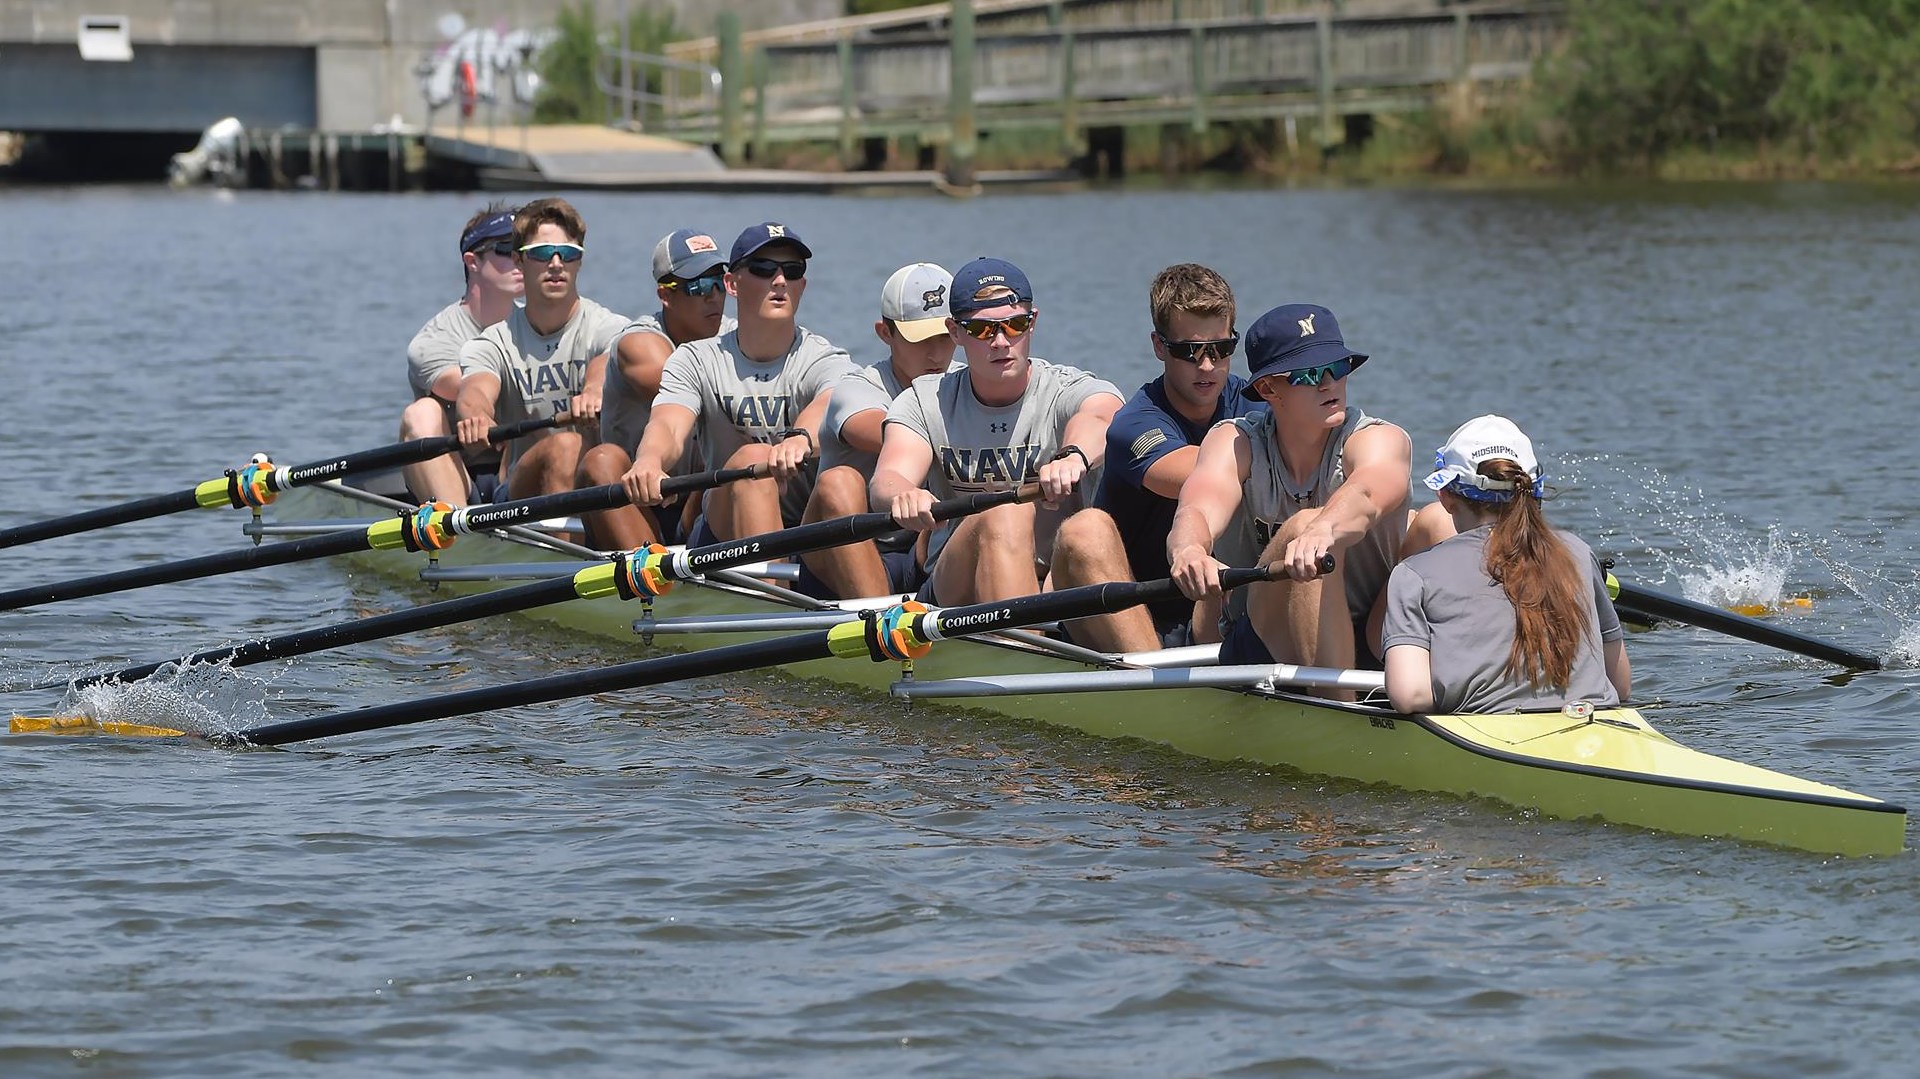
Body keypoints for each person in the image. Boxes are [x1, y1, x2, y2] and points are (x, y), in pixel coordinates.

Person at [1167, 302, 1451, 699]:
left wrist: (1323, 529)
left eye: (1337, 368)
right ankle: (1343, 721)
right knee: (1299, 526)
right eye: (1310, 374)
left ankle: (1489, 687)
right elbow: (1197, 507)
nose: (1329, 384)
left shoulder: (1379, 438)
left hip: (1371, 635)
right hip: (1266, 644)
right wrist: (1189, 550)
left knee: (1442, 520)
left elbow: (1371, 488)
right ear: (1267, 389)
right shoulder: (1235, 442)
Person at [873, 256, 1124, 607]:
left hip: (1055, 579)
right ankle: (1025, 653)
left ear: (1032, 322)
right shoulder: (925, 399)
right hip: (957, 583)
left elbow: (1104, 413)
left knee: (1094, 527)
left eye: (1014, 324)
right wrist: (903, 494)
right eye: (981, 329)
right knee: (1005, 513)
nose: (1001, 342)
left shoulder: (1064, 389)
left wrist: (1073, 455)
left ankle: (1141, 660)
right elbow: (889, 476)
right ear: (955, 332)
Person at [1048, 263, 1263, 653]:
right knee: (1085, 528)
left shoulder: (1257, 405)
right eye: (1189, 351)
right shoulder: (1134, 424)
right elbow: (1206, 473)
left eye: (1221, 349)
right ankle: (1152, 680)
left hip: (1215, 603)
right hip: (1130, 612)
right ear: (1159, 346)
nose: (1207, 366)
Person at [625, 222, 857, 545]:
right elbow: (668, 425)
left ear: (802, 285)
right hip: (723, 529)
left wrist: (800, 439)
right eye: (763, 269)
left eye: (791, 270)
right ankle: (774, 595)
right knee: (755, 459)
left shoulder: (824, 358)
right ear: (732, 284)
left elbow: (831, 400)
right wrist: (649, 460)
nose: (779, 281)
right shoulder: (695, 358)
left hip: (804, 530)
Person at [1382, 415, 1632, 714]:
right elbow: (1621, 684)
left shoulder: (1413, 575)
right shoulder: (1578, 552)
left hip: (1484, 736)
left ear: (1445, 496)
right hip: (1591, 724)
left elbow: (1411, 696)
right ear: (1533, 492)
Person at [795, 262, 960, 600]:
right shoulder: (857, 388)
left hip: (927, 551)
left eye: (946, 336)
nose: (936, 352)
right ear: (885, 333)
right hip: (844, 555)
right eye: (921, 339)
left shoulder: (968, 382)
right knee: (837, 481)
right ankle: (878, 624)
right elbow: (889, 433)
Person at [454, 197, 627, 501]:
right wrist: (477, 418)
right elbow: (476, 392)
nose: (556, 264)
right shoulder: (493, 342)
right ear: (519, 261)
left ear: (580, 261)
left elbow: (606, 357)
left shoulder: (607, 326)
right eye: (542, 253)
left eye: (568, 254)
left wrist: (593, 390)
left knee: (597, 457)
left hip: (599, 481)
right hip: (521, 496)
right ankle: (566, 545)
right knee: (566, 446)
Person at [576, 228, 736, 550]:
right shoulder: (639, 343)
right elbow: (684, 386)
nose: (713, 296)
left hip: (701, 500)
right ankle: (650, 579)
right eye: (699, 286)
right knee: (601, 460)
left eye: (720, 284)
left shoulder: (737, 335)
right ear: (665, 295)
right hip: (636, 505)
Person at [398, 203, 521, 506]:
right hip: (461, 476)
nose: (520, 259)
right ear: (472, 262)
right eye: (507, 248)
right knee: (422, 412)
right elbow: (472, 387)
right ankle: (457, 529)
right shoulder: (433, 341)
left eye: (527, 249)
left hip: (522, 470)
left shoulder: (544, 323)